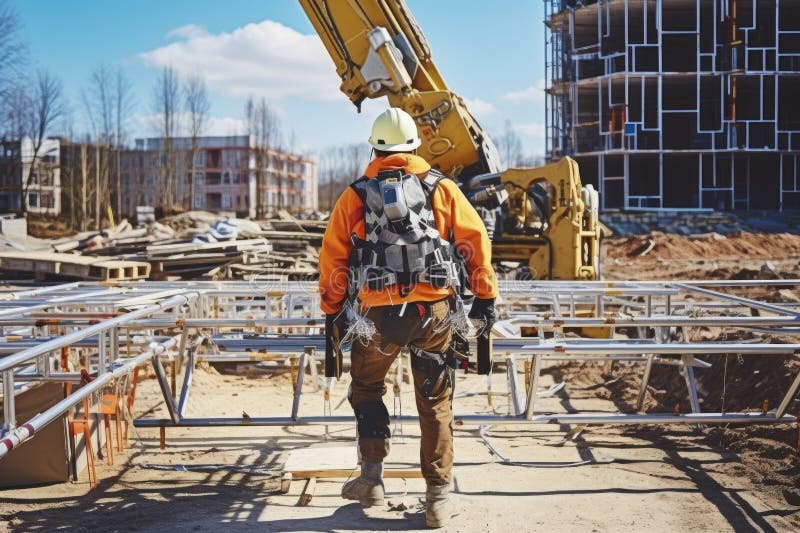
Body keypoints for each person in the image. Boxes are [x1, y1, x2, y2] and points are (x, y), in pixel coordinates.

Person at [319, 107, 498, 528]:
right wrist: (484, 297)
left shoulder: (355, 195)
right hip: (433, 311)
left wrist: (332, 312)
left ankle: (371, 481)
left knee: (366, 388)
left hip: (376, 315)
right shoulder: (443, 189)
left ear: (374, 148)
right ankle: (437, 498)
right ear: (416, 146)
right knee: (435, 402)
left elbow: (334, 261)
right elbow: (474, 242)